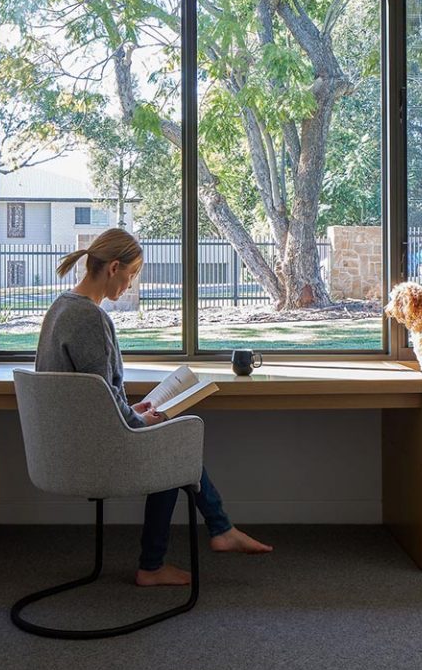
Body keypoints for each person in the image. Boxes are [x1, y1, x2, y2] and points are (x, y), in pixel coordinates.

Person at [35, 227, 272, 587]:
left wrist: (135, 411)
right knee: (174, 446)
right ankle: (163, 560)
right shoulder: (91, 319)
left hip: (65, 446)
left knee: (167, 435)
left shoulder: (60, 307)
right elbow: (99, 404)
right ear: (113, 267)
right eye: (130, 276)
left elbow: (90, 396)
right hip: (90, 453)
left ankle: (220, 530)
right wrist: (136, 418)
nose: (129, 286)